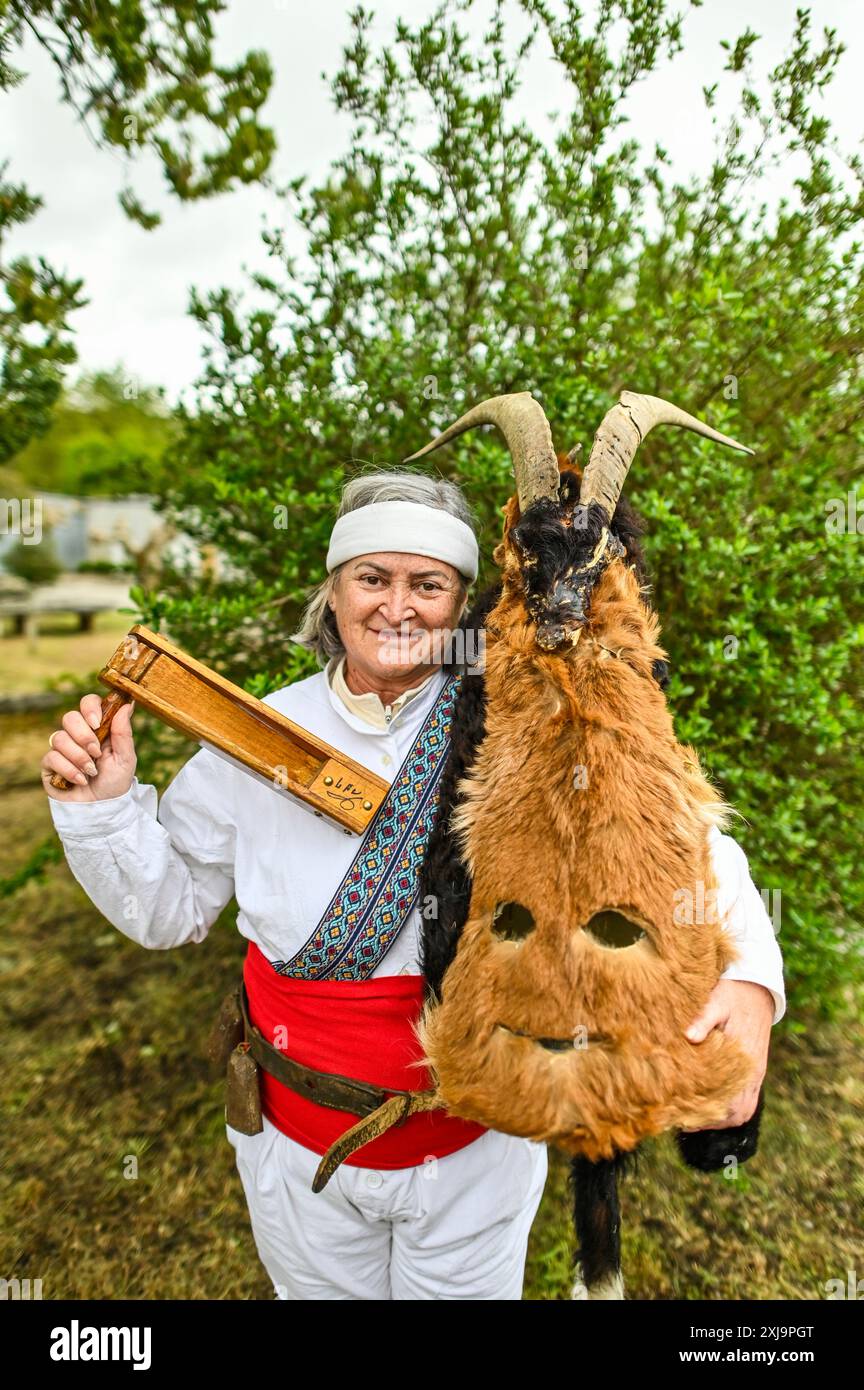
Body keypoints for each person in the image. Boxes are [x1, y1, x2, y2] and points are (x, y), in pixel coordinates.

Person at [42, 470, 785, 1300]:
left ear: (462, 602)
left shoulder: (526, 723)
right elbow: (167, 911)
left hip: (472, 1147)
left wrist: (753, 980)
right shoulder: (254, 738)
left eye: (427, 585)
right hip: (293, 1141)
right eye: (372, 578)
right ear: (334, 590)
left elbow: (682, 839)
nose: (397, 607)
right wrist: (102, 809)